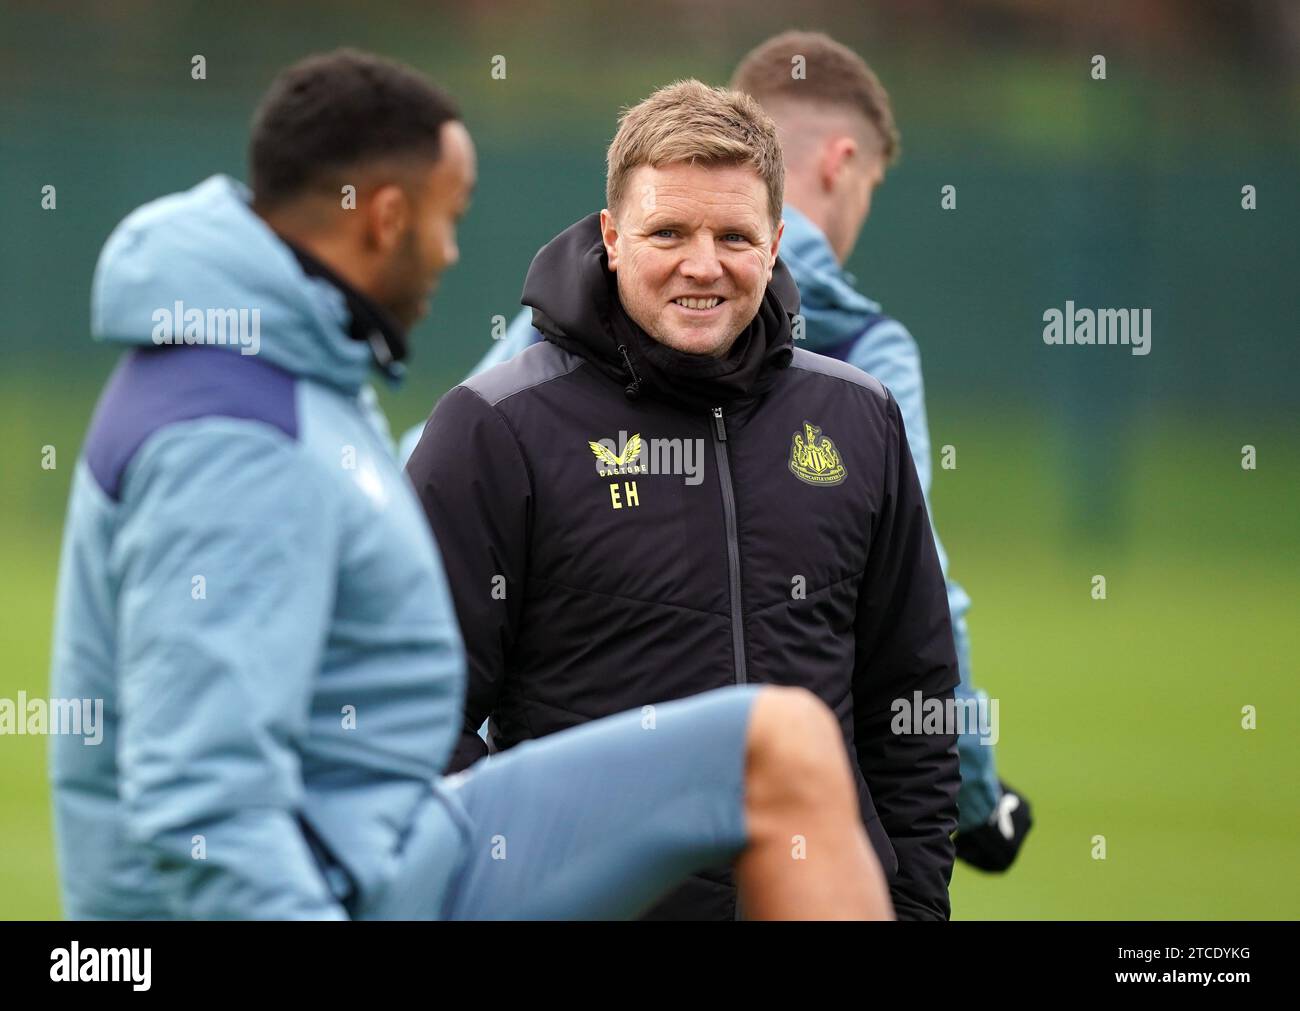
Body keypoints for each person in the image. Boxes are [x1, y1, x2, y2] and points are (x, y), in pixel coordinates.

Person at [48, 49, 891, 921]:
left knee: (780, 744)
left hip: (401, 845)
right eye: (447, 219)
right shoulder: (231, 430)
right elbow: (201, 804)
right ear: (383, 218)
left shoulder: (292, 375)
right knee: (778, 746)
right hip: (348, 888)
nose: (451, 252)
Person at [407, 31, 1033, 875]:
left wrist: (912, 900)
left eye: (734, 238)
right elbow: (412, 708)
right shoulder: (496, 422)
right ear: (612, 237)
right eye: (668, 232)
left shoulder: (859, 414)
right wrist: (537, 873)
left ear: (775, 241)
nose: (702, 266)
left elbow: (911, 694)